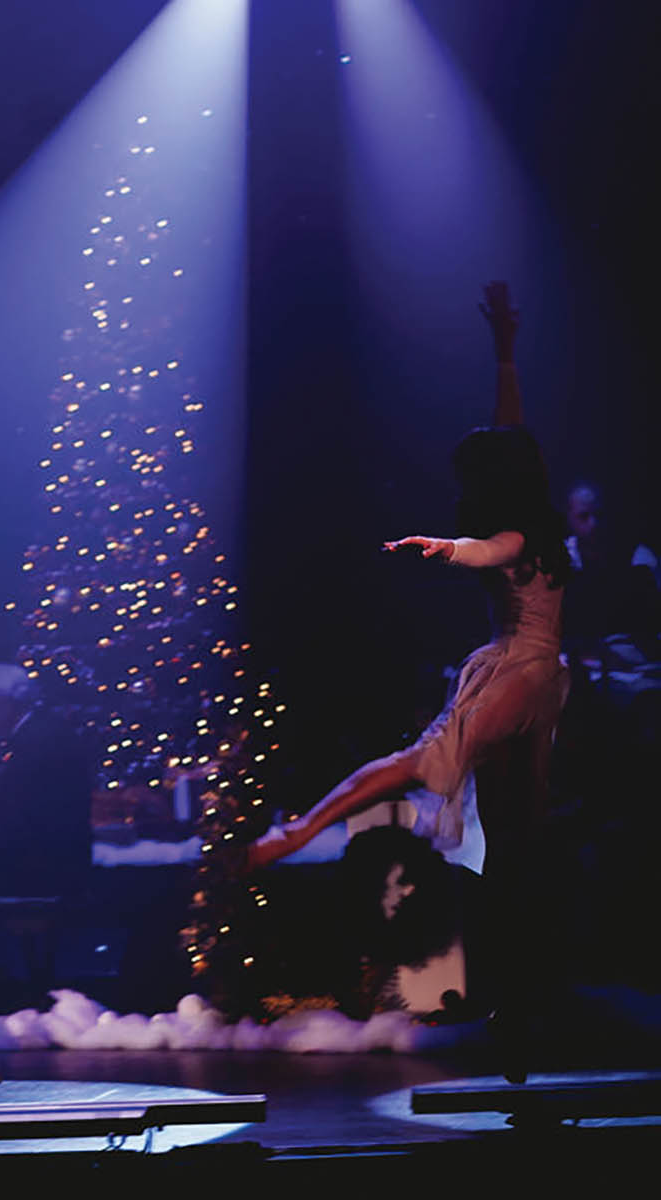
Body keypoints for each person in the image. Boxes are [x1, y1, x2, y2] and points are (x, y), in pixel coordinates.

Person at [244, 282, 570, 1081]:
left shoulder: (513, 532)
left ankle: (294, 833)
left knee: (423, 765)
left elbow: (489, 549)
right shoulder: (535, 505)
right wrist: (505, 352)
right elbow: (512, 437)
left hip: (512, 675)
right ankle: (515, 1005)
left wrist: (443, 547)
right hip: (543, 684)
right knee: (514, 846)